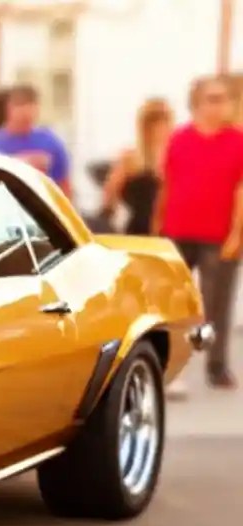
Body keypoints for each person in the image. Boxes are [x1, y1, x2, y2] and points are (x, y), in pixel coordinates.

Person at [153, 76, 243, 390]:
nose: (219, 106)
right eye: (212, 99)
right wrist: (158, 226)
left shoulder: (238, 140)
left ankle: (216, 365)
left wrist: (236, 234)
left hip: (218, 234)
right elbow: (167, 184)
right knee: (173, 302)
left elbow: (241, 190)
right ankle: (168, 362)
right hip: (178, 229)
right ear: (197, 104)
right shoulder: (180, 139)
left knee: (217, 302)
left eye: (224, 99)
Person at [0, 84, 72, 196]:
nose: (25, 113)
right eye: (20, 106)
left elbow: (64, 184)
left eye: (31, 106)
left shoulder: (50, 142)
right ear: (9, 108)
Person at [100, 98, 173, 236]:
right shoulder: (130, 158)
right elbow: (110, 194)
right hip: (138, 229)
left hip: (169, 230)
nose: (160, 127)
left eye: (164, 121)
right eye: (154, 122)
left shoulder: (177, 155)